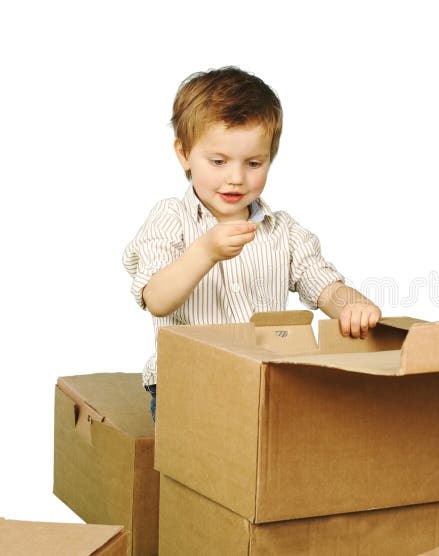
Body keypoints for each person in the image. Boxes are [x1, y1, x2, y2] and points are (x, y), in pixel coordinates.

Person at [123, 67, 381, 421]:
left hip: (266, 382)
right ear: (184, 154)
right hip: (190, 385)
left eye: (254, 163)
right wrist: (205, 251)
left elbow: (320, 281)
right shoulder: (172, 220)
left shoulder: (281, 231)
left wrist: (353, 305)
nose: (236, 178)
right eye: (218, 161)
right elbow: (156, 298)